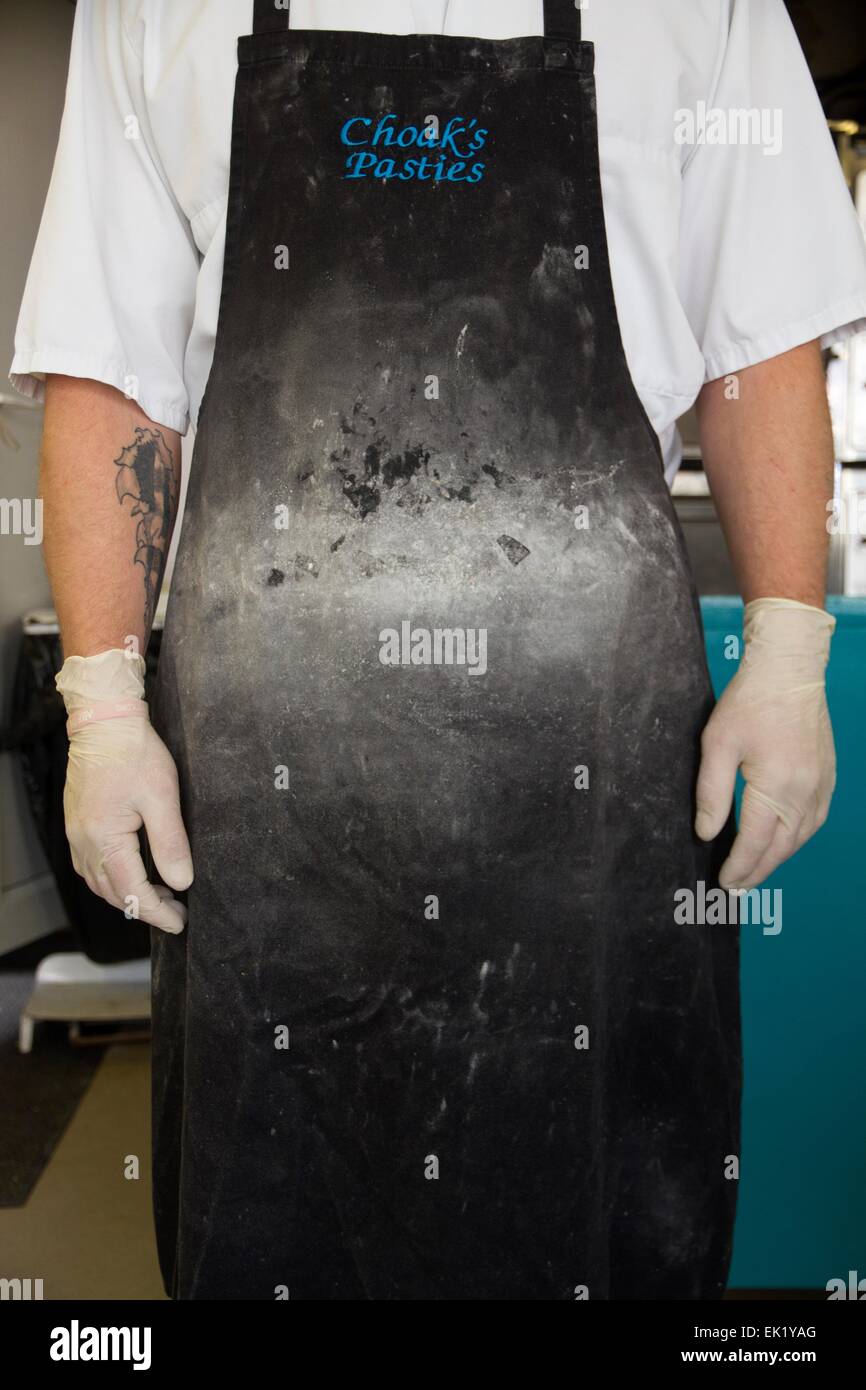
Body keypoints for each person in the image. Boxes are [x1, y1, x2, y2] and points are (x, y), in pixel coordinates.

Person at [11, 0, 866, 1301]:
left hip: (590, 755)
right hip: (266, 772)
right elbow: (112, 373)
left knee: (603, 1200)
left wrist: (790, 647)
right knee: (273, 1216)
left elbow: (761, 347)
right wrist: (101, 705)